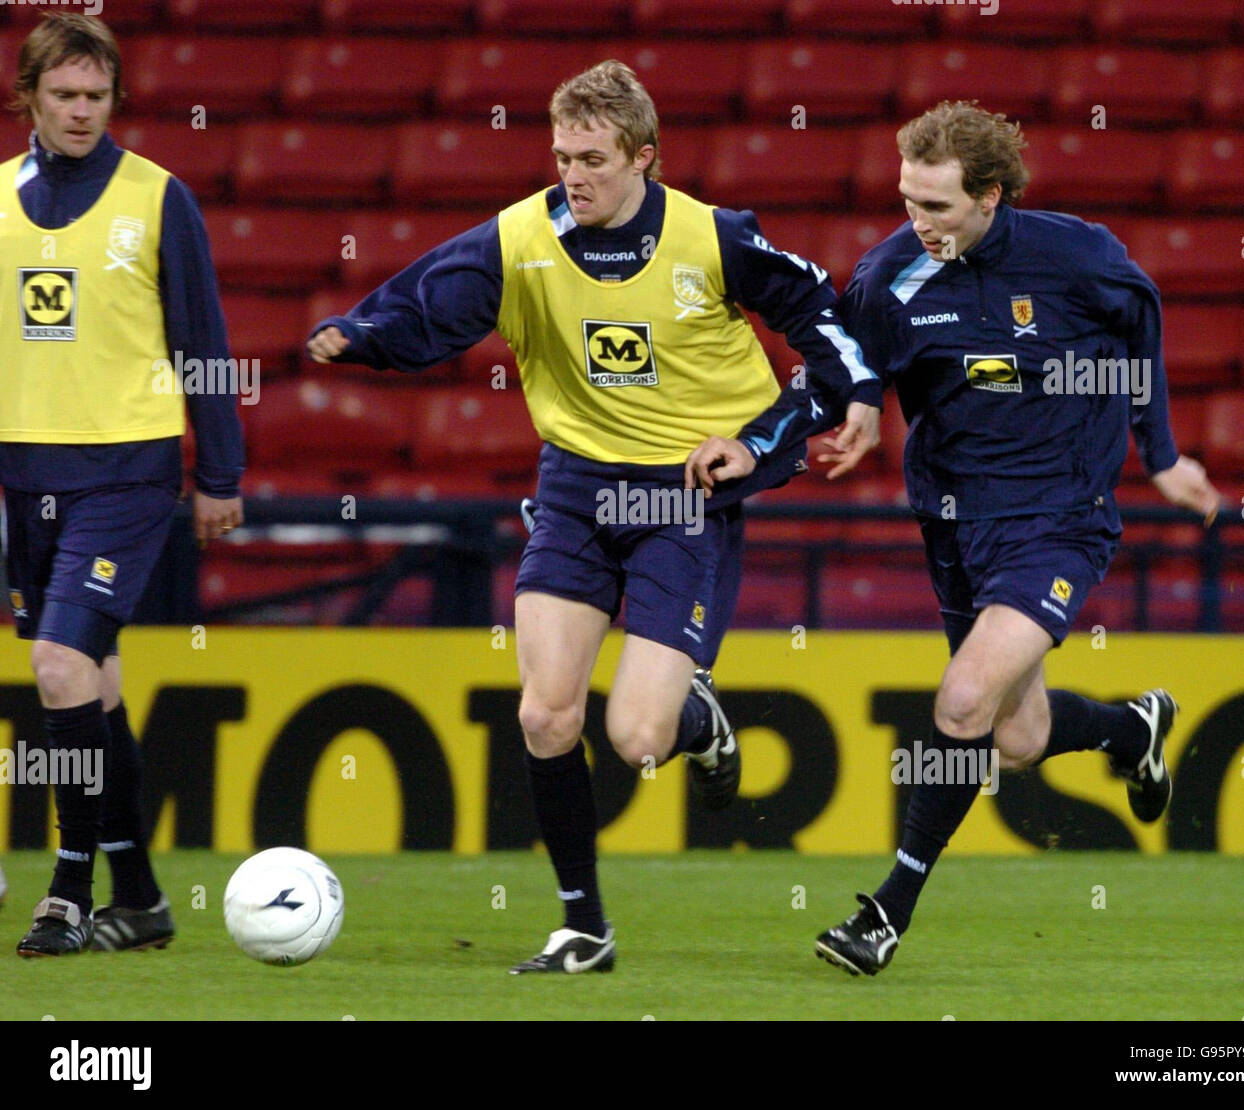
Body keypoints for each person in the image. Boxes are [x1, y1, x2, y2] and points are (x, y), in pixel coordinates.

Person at [308, 60, 879, 973]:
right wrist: (363, 337)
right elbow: (431, 306)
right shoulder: (521, 236)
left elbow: (819, 311)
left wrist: (838, 401)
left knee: (639, 737)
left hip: (681, 498)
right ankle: (583, 925)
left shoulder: (713, 238)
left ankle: (699, 721)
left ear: (644, 158)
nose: (573, 175)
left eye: (594, 158)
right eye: (562, 154)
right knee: (544, 717)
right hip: (576, 489)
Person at [685, 100, 1221, 977]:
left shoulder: (1076, 256)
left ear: (991, 196)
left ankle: (885, 913)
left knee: (963, 704)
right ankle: (1132, 730)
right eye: (907, 200)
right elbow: (842, 375)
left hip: (1059, 521)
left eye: (935, 207)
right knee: (1016, 733)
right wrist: (760, 444)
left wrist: (1158, 454)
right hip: (954, 526)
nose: (916, 222)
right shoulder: (890, 278)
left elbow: (1142, 322)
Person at [3, 14, 244, 956]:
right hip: (29, 476)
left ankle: (68, 888)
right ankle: (139, 897)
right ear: (29, 97)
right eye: (63, 95)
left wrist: (218, 472)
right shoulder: (0, 200)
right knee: (92, 685)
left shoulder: (157, 199)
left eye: (96, 97)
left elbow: (203, 340)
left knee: (57, 666)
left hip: (129, 471)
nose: (80, 112)